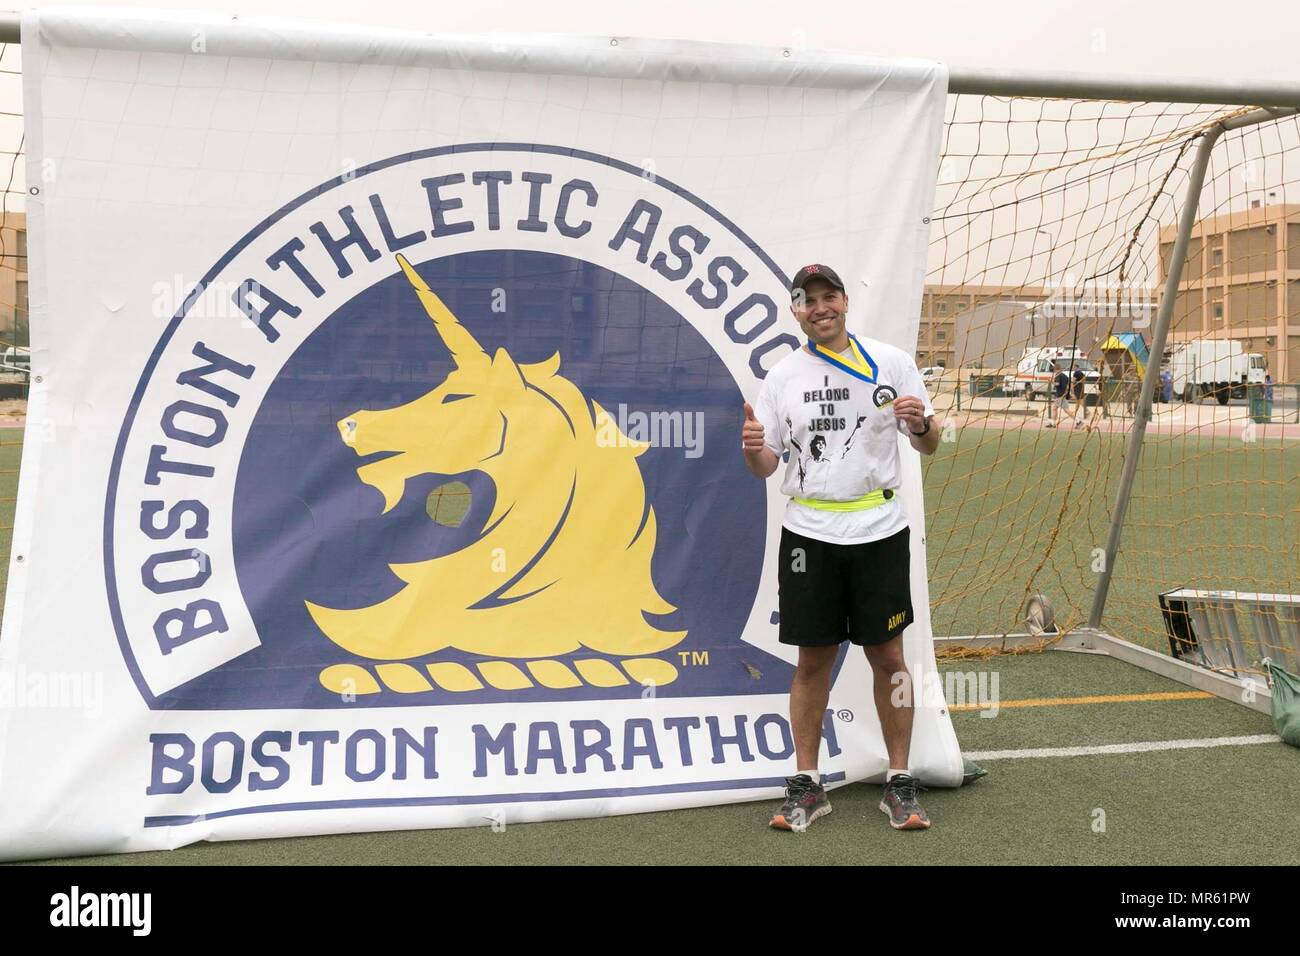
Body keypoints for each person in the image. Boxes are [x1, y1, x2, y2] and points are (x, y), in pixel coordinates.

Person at [741, 263, 941, 832]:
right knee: (812, 663)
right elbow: (764, 465)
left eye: (829, 296)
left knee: (890, 659)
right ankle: (807, 785)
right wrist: (752, 447)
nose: (820, 307)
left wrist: (922, 423)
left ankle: (899, 781)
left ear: (845, 301)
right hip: (810, 534)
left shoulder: (891, 363)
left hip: (879, 528)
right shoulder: (782, 378)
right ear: (796, 310)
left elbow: (930, 446)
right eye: (808, 300)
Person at [1046, 359, 1070, 427]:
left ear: (1055, 369)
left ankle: (1078, 421)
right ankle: (1053, 423)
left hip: (1060, 395)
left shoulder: (1058, 375)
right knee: (1054, 408)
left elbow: (1057, 384)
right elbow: (1068, 385)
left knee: (1066, 410)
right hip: (1062, 394)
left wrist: (1051, 381)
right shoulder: (1065, 375)